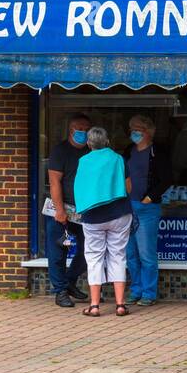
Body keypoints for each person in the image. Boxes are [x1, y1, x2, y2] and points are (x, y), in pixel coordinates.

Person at [74, 127, 133, 317]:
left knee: (94, 258)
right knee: (118, 255)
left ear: (89, 143)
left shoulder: (83, 161)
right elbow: (128, 187)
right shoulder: (118, 159)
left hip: (93, 217)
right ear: (107, 141)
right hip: (119, 213)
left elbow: (79, 188)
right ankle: (120, 304)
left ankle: (94, 305)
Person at [123, 114, 173, 306]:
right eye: (132, 128)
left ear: (148, 131)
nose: (133, 132)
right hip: (127, 208)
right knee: (131, 254)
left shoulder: (157, 152)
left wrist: (149, 197)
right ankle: (136, 290)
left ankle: (149, 293)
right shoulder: (129, 151)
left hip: (147, 208)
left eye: (138, 128)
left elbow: (167, 178)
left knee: (146, 253)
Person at [46, 113, 91, 307]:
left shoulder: (91, 151)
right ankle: (60, 291)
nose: (81, 132)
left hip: (84, 211)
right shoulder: (60, 151)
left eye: (85, 129)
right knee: (58, 252)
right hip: (61, 209)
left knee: (89, 250)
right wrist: (59, 210)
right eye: (78, 128)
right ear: (70, 129)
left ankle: (70, 281)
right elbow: (54, 181)